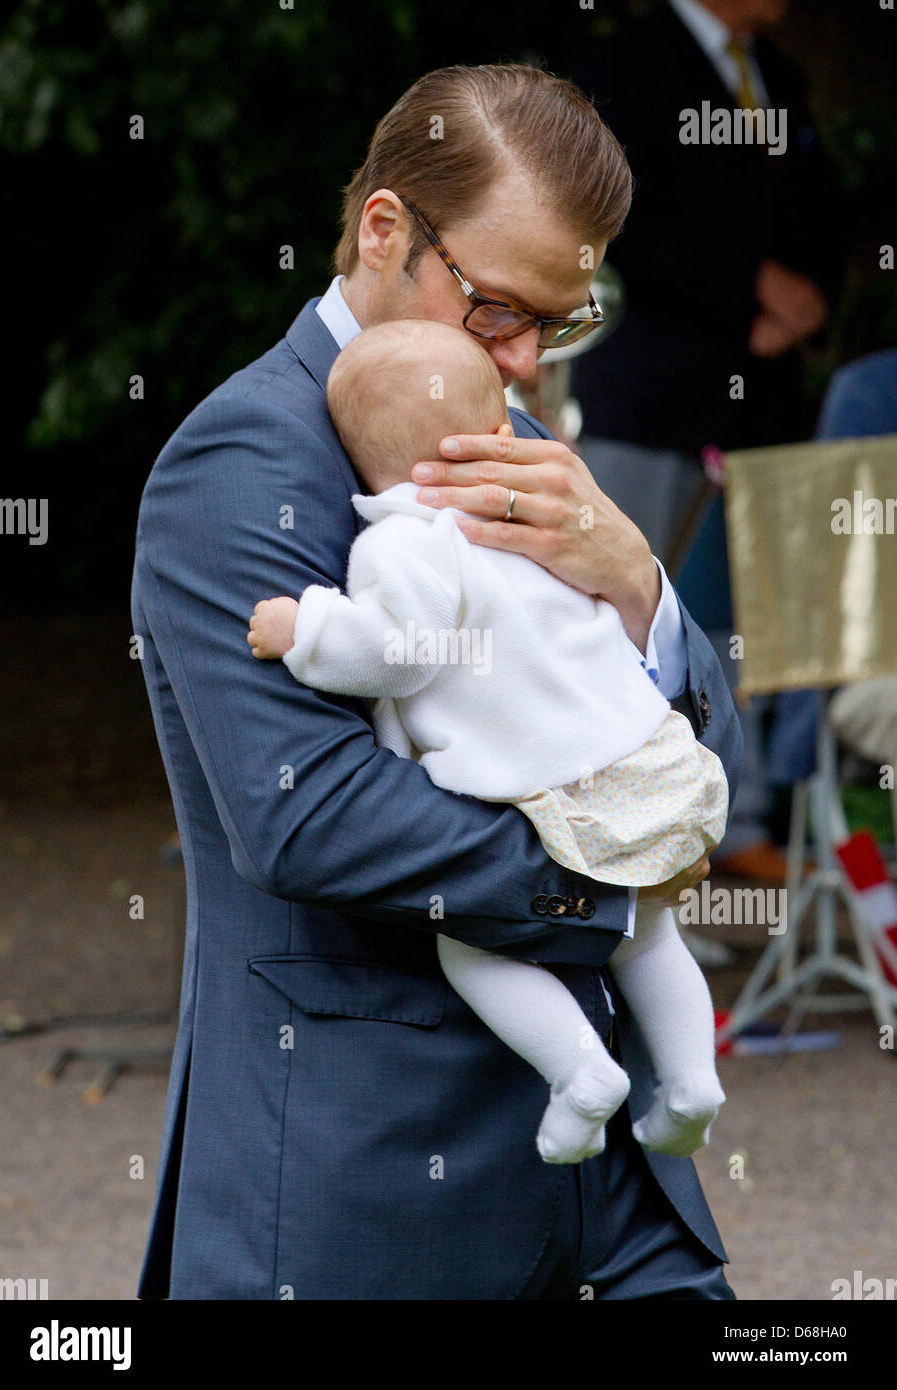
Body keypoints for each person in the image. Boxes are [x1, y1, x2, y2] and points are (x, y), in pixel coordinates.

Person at [132, 63, 742, 1300]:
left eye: (555, 324)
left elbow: (692, 747)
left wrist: (636, 584)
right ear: (383, 228)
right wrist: (619, 871)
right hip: (374, 1198)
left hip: (621, 1202)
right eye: (496, 309)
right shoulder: (243, 457)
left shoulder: (510, 435)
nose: (519, 366)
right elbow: (310, 817)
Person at [248, 317, 729, 1166]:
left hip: (557, 795)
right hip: (646, 761)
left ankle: (579, 1073)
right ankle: (691, 1082)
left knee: (467, 949)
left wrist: (306, 627)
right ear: (499, 431)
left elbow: (396, 653)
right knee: (650, 934)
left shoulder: (405, 541)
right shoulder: (543, 525)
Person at [572, 0, 843, 881]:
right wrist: (750, 288)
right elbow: (615, 217)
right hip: (651, 402)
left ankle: (734, 823)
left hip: (763, 400)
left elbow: (818, 205)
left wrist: (804, 301)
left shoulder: (779, 75)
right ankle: (620, 836)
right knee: (623, 618)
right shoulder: (628, 62)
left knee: (738, 624)